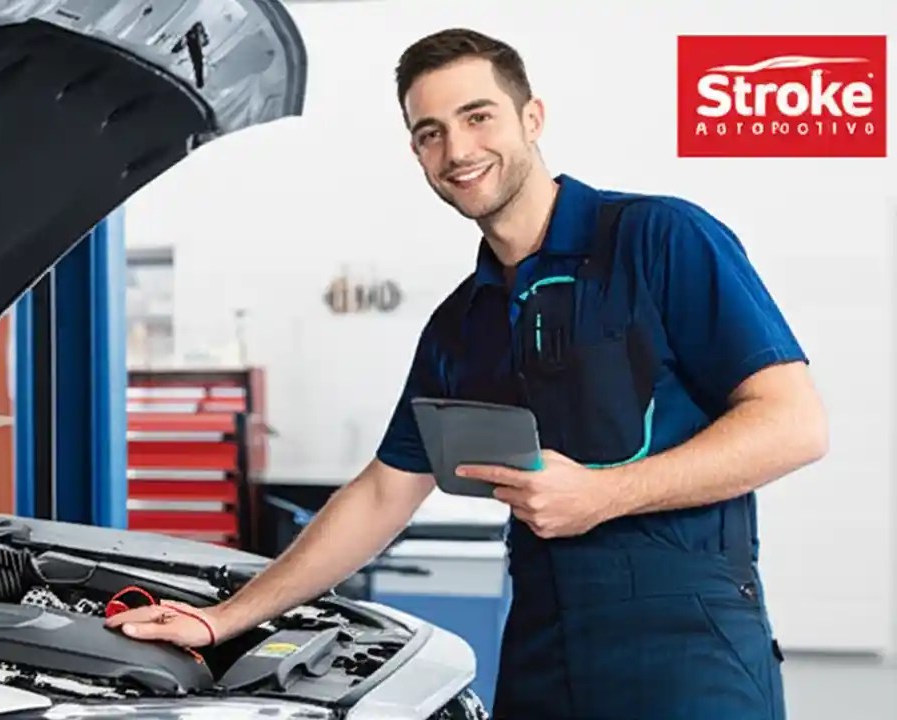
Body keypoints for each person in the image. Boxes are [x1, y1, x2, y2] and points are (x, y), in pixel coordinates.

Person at [105, 28, 828, 719]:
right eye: (430, 132)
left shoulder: (656, 239)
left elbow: (793, 425)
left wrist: (603, 494)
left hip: (687, 644)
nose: (457, 148)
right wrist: (222, 619)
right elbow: (385, 490)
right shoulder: (462, 322)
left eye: (478, 116)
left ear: (531, 117)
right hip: (544, 644)